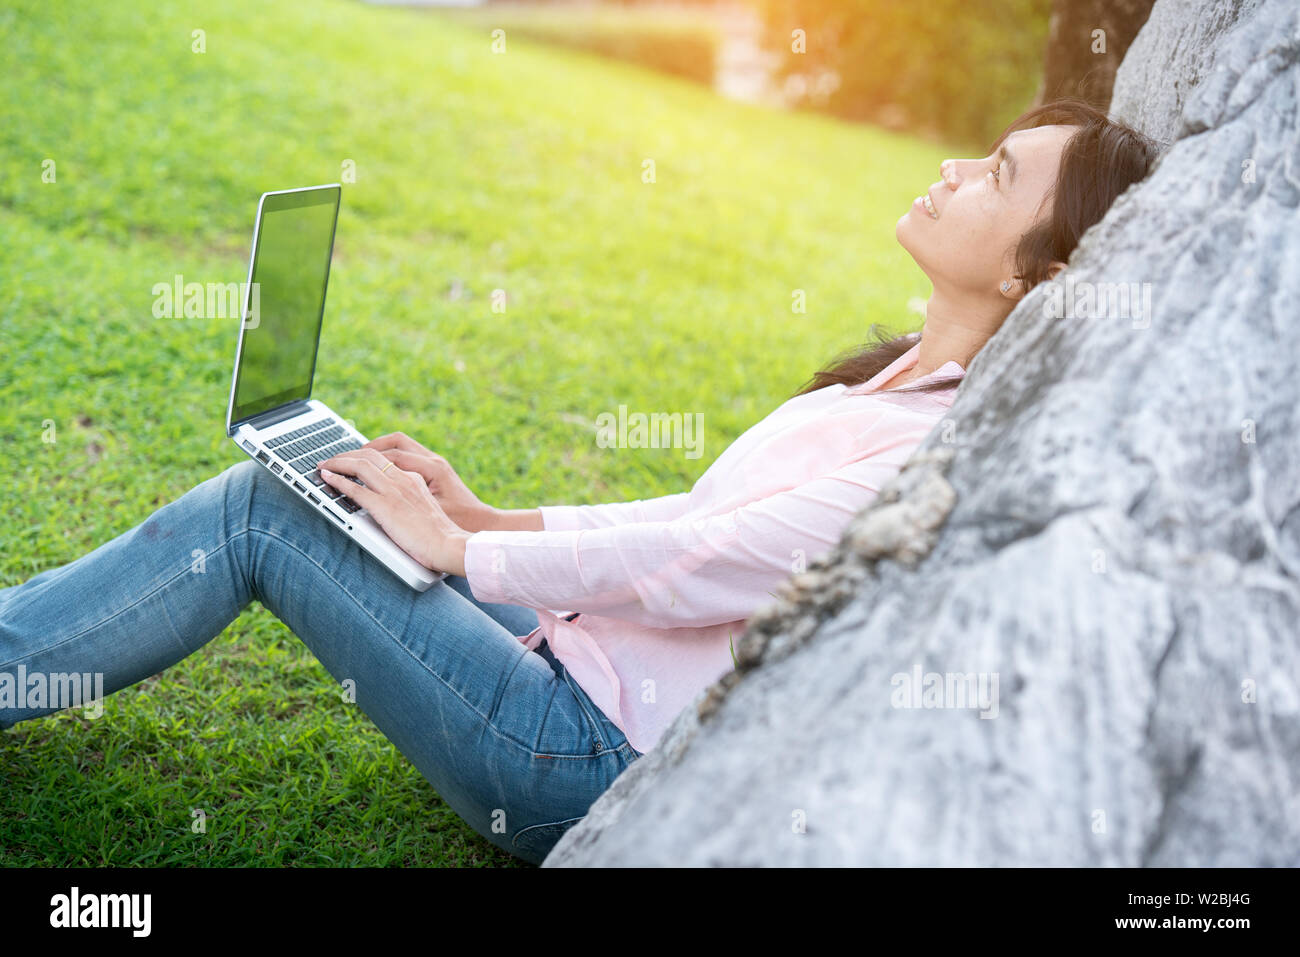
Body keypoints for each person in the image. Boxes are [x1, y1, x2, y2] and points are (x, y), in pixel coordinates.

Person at [0, 100, 1158, 865]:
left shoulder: (929, 445)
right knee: (330, 496)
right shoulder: (893, 384)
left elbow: (694, 568)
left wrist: (463, 555)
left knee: (266, 511)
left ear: (1036, 270)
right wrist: (482, 515)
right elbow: (703, 521)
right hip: (573, 664)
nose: (955, 170)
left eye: (995, 175)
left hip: (575, 758)